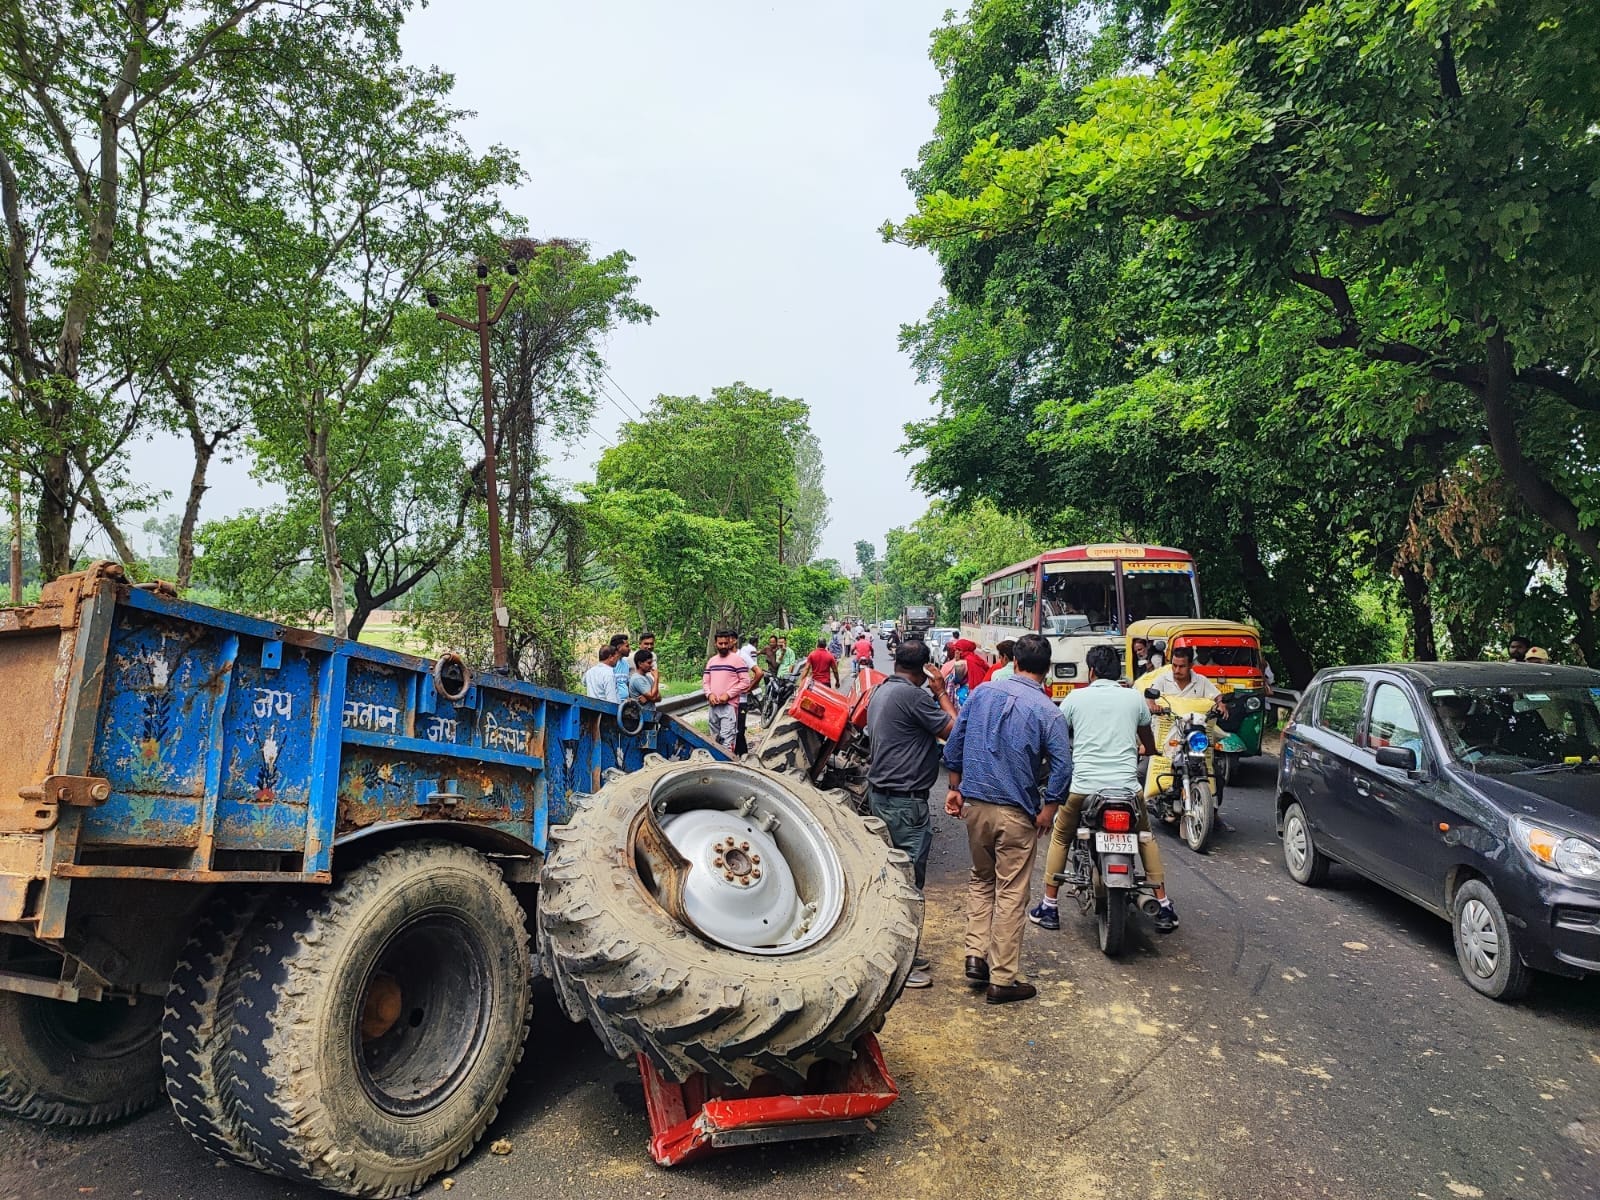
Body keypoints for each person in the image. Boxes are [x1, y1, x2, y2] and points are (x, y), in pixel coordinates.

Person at [942, 632, 1072, 1005]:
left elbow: (956, 743)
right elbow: (1063, 766)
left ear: (1014, 662)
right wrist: (1049, 808)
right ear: (1046, 670)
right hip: (1018, 813)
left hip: (976, 806)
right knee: (1012, 891)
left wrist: (954, 785)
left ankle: (974, 955)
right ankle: (1002, 978)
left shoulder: (982, 693)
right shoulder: (1049, 711)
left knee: (981, 880)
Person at [1029, 644, 1179, 934]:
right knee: (1145, 836)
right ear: (1118, 672)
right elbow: (1147, 743)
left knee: (1061, 834)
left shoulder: (1075, 698)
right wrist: (1148, 748)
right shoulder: (1133, 698)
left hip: (1084, 788)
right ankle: (1164, 904)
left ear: (1092, 671)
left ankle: (1049, 905)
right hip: (1126, 790)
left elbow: (1061, 737)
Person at [866, 638, 959, 989]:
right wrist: (942, 692)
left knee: (891, 877)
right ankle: (900, 964)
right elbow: (956, 732)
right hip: (906, 802)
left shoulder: (882, 691)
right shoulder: (916, 696)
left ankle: (896, 949)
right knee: (907, 883)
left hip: (882, 796)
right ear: (925, 669)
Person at [701, 630, 751, 754]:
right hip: (713, 705)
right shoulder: (712, 661)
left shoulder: (737, 660)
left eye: (725, 643)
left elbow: (745, 681)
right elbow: (706, 681)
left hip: (729, 706)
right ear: (715, 644)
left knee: (727, 741)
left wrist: (729, 694)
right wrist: (709, 694)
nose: (723, 646)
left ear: (730, 643)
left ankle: (727, 765)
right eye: (720, 643)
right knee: (714, 740)